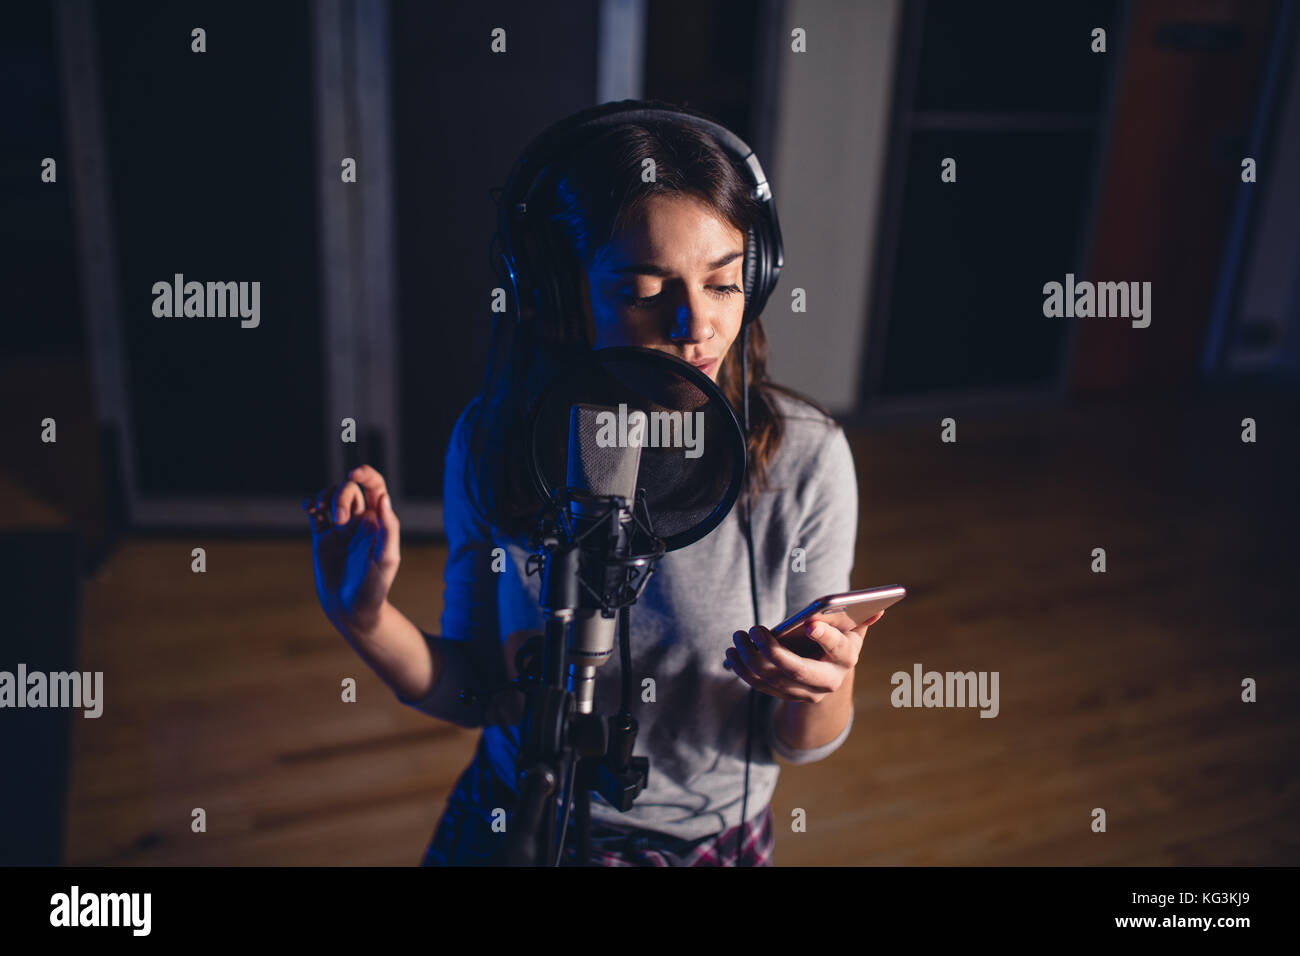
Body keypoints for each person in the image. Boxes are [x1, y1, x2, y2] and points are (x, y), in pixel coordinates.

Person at [305, 105, 884, 866]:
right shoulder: (493, 440)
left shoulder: (806, 462)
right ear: (560, 292)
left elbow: (796, 746)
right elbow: (479, 690)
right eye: (645, 291)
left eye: (724, 285)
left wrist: (824, 684)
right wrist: (366, 620)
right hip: (516, 819)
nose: (695, 324)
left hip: (700, 843)